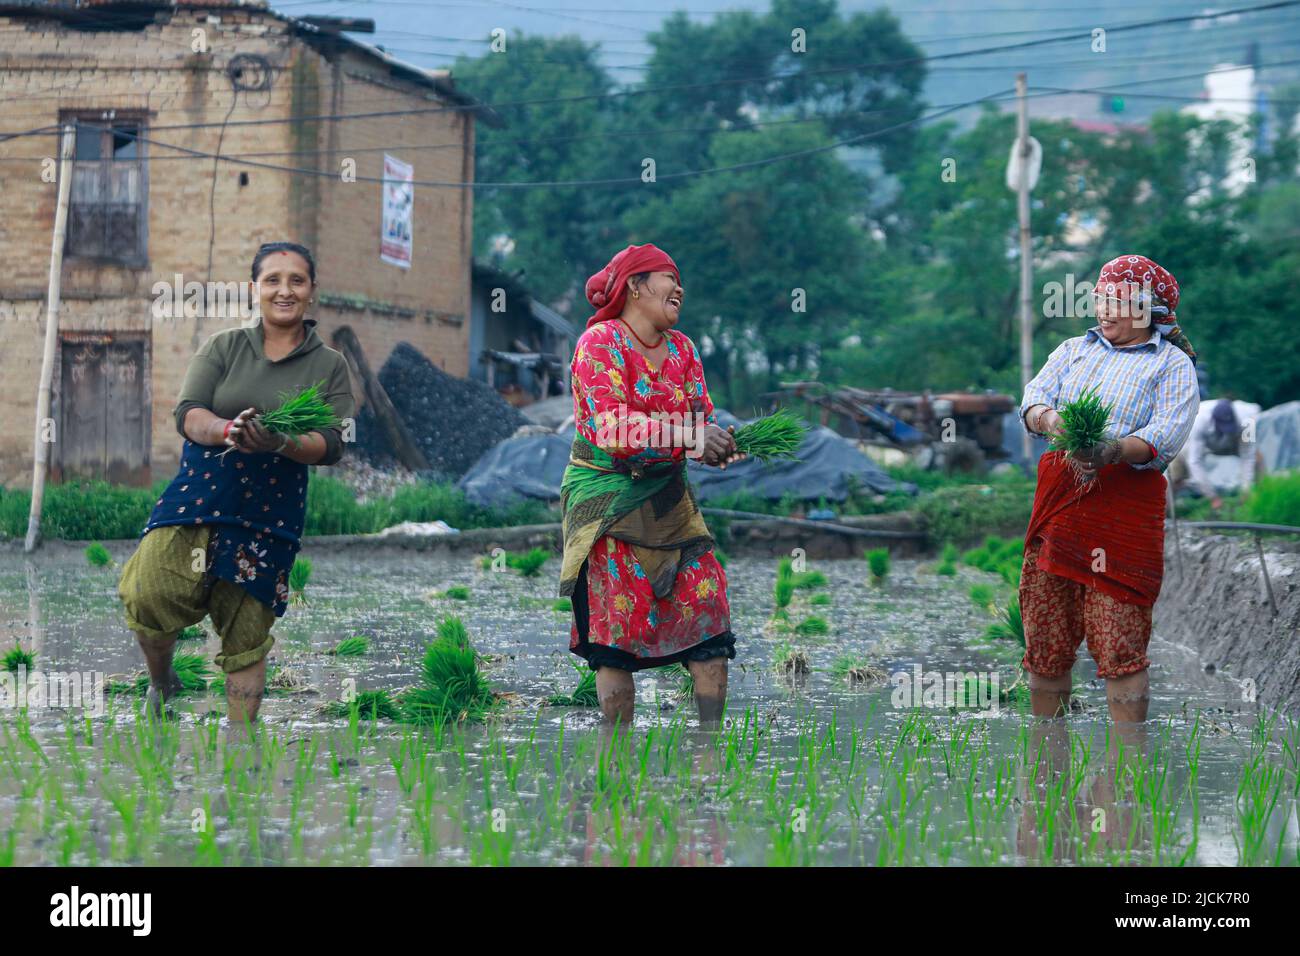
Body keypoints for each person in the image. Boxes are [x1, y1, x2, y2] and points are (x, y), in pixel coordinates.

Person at [117, 242, 355, 730]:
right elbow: (189, 415)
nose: (284, 290)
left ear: (312, 292)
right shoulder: (224, 347)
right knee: (147, 590)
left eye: (296, 280)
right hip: (199, 495)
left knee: (247, 627)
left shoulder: (329, 365)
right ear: (255, 289)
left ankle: (241, 749)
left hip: (269, 510)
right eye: (272, 280)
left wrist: (278, 441)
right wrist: (229, 431)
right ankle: (163, 681)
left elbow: (332, 443)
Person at [558, 243, 744, 730]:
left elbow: (701, 420)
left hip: (668, 502)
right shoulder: (599, 344)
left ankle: (708, 751)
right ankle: (615, 760)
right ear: (635, 287)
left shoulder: (684, 349)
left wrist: (723, 443)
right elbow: (613, 430)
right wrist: (691, 438)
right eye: (667, 276)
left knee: (708, 618)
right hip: (609, 502)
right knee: (616, 638)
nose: (678, 286)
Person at [1019, 254, 1199, 723]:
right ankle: (1047, 759)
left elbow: (1165, 437)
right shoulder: (1072, 351)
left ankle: (1128, 772)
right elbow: (1033, 400)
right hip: (1060, 508)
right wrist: (1051, 419)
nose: (1103, 310)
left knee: (1119, 638)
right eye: (1100, 299)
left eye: (1115, 302)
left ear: (1147, 310)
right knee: (1045, 637)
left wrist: (1111, 450)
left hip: (1121, 513)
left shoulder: (1172, 365)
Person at [1179, 396, 1261, 509]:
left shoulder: (1248, 420)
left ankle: (1259, 497)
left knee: (1258, 458)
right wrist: (1212, 496)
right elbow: (1194, 461)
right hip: (1205, 443)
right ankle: (1170, 510)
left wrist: (1246, 490)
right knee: (1179, 462)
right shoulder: (1199, 420)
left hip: (1233, 442)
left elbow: (1248, 457)